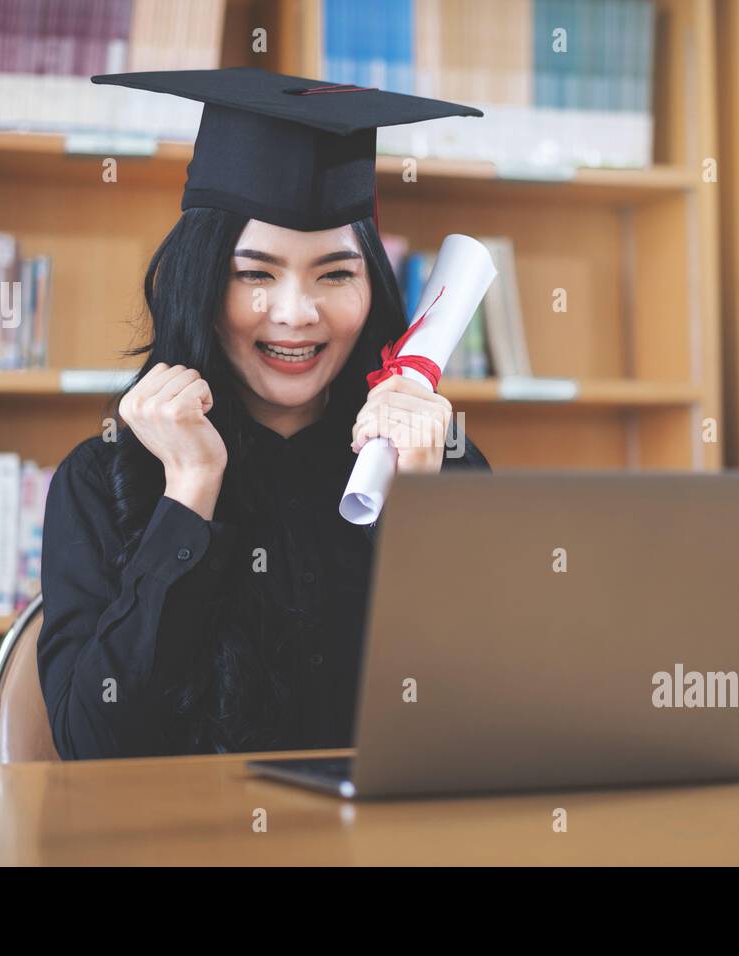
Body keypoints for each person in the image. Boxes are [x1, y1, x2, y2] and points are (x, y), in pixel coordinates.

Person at [38, 67, 490, 759]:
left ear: (372, 286)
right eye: (255, 273)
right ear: (204, 281)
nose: (296, 313)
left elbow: (479, 732)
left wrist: (417, 515)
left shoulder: (436, 460)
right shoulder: (104, 478)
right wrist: (188, 495)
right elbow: (92, 751)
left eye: (335, 273)